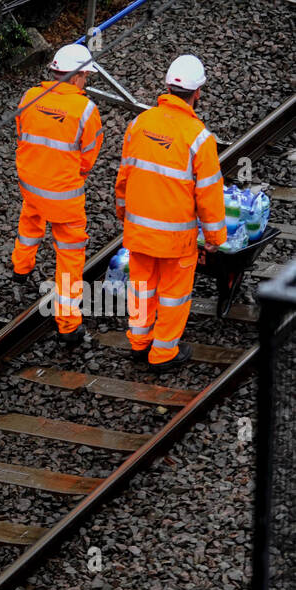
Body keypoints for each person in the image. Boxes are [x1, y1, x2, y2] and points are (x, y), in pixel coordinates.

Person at [115, 54, 226, 371]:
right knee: (174, 295)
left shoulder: (139, 124)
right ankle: (163, 354)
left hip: (139, 233)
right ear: (197, 93)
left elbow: (123, 177)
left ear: (166, 88)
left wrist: (123, 213)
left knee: (141, 288)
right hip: (176, 239)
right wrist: (216, 237)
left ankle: (140, 343)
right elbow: (209, 194)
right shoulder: (199, 138)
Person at [11, 43, 103, 343]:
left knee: (30, 221)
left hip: (31, 184)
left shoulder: (29, 96)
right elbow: (89, 157)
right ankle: (68, 325)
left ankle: (20, 268)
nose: (85, 82)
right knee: (70, 256)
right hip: (63, 196)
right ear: (76, 77)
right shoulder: (86, 110)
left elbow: (21, 132)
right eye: (85, 77)